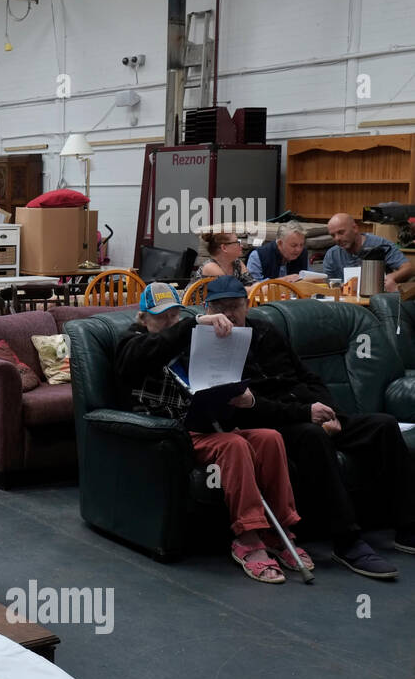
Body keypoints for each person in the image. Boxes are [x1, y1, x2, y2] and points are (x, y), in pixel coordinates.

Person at [199, 274, 411, 579]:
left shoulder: (266, 331)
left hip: (310, 411)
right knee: (312, 436)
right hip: (275, 423)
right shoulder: (211, 347)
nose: (230, 314)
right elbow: (246, 409)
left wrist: (332, 413)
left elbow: (307, 377)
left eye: (236, 305)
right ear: (208, 311)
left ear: (247, 305)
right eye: (221, 307)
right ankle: (347, 541)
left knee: (383, 425)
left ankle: (407, 526)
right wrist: (305, 414)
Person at [114, 281, 305, 584]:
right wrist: (190, 325)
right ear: (142, 317)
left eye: (176, 315)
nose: (170, 322)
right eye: (162, 317)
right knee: (233, 446)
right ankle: (247, 537)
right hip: (169, 434)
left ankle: (278, 531)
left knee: (270, 438)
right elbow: (150, 351)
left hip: (208, 424)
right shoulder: (131, 343)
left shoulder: (187, 342)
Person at [323, 212, 414, 292]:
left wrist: (392, 277)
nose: (337, 238)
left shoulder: (380, 244)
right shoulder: (332, 255)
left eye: (341, 232)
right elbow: (327, 284)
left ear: (355, 228)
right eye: (333, 235)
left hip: (375, 299)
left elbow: (408, 268)